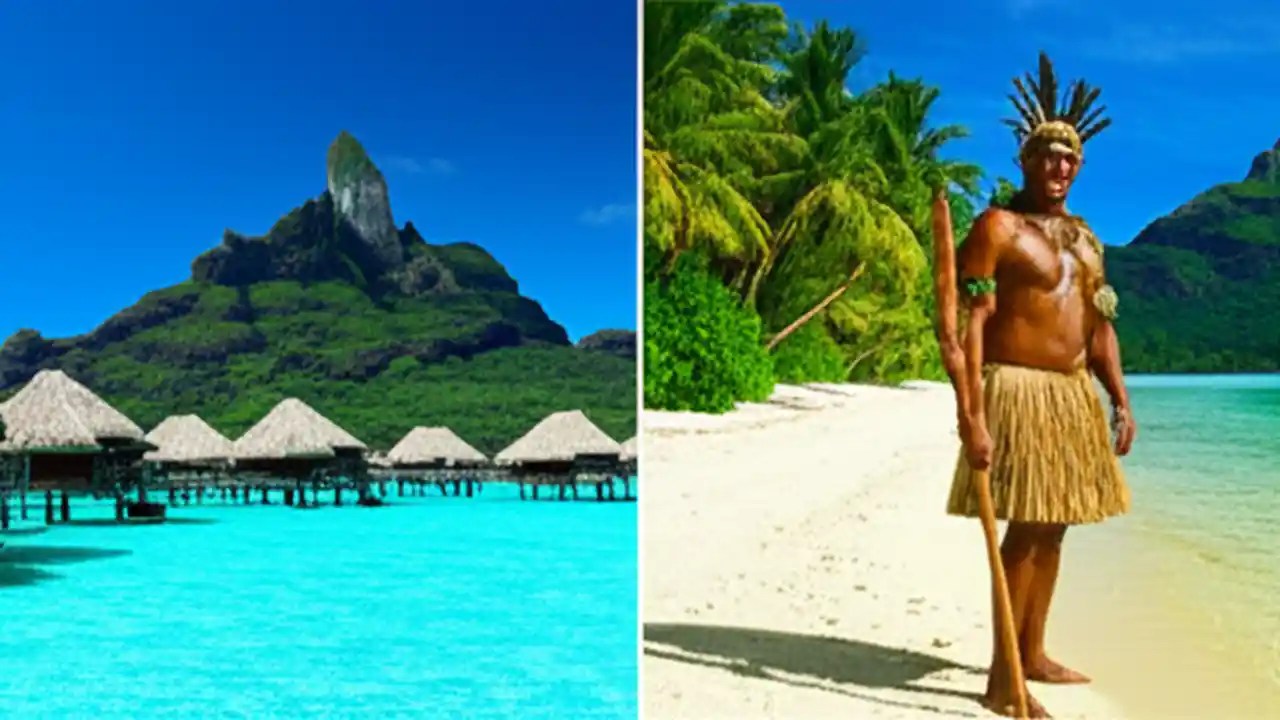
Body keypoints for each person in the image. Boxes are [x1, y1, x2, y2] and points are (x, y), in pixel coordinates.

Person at [945, 53, 1137, 718]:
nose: (1059, 168)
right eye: (1048, 156)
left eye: (1069, 160)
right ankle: (1004, 677)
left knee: (1053, 531)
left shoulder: (1086, 241)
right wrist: (971, 410)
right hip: (1016, 392)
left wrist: (1120, 398)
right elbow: (971, 323)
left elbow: (1100, 326)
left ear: (1078, 168)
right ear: (1025, 160)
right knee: (1024, 533)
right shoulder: (997, 227)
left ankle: (1034, 652)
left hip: (1073, 396)